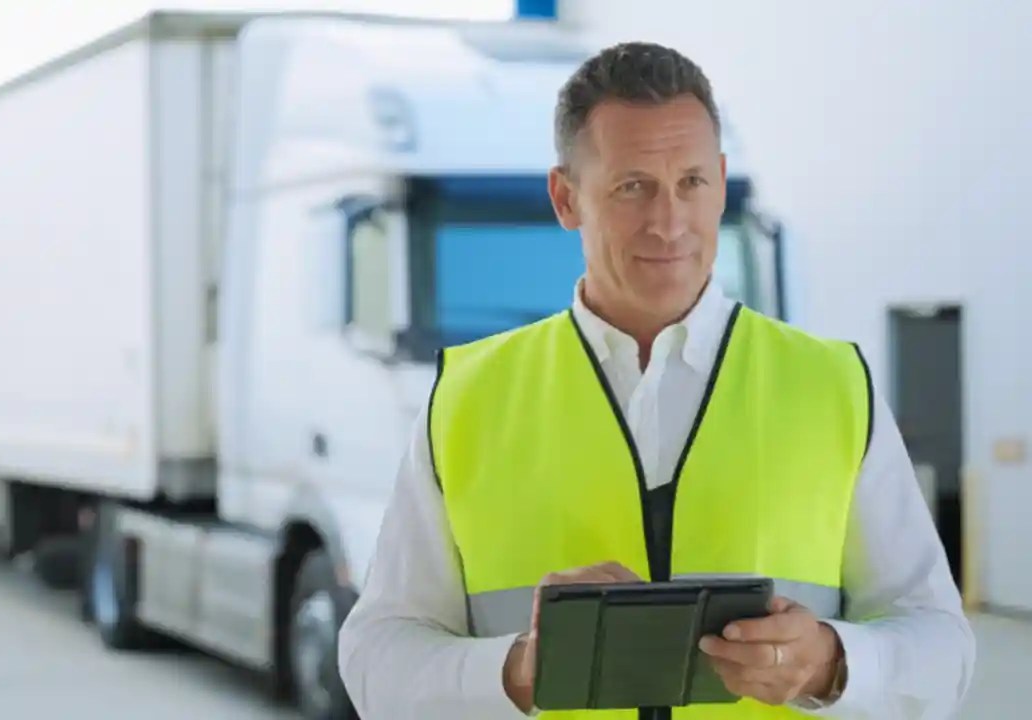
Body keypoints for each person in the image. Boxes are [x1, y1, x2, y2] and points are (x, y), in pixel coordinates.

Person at [336, 41, 975, 720]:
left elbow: (944, 651)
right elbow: (376, 658)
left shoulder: (833, 388)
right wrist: (520, 669)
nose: (668, 222)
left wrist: (830, 661)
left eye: (691, 182)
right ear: (565, 197)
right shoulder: (468, 397)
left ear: (722, 182)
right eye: (632, 185)